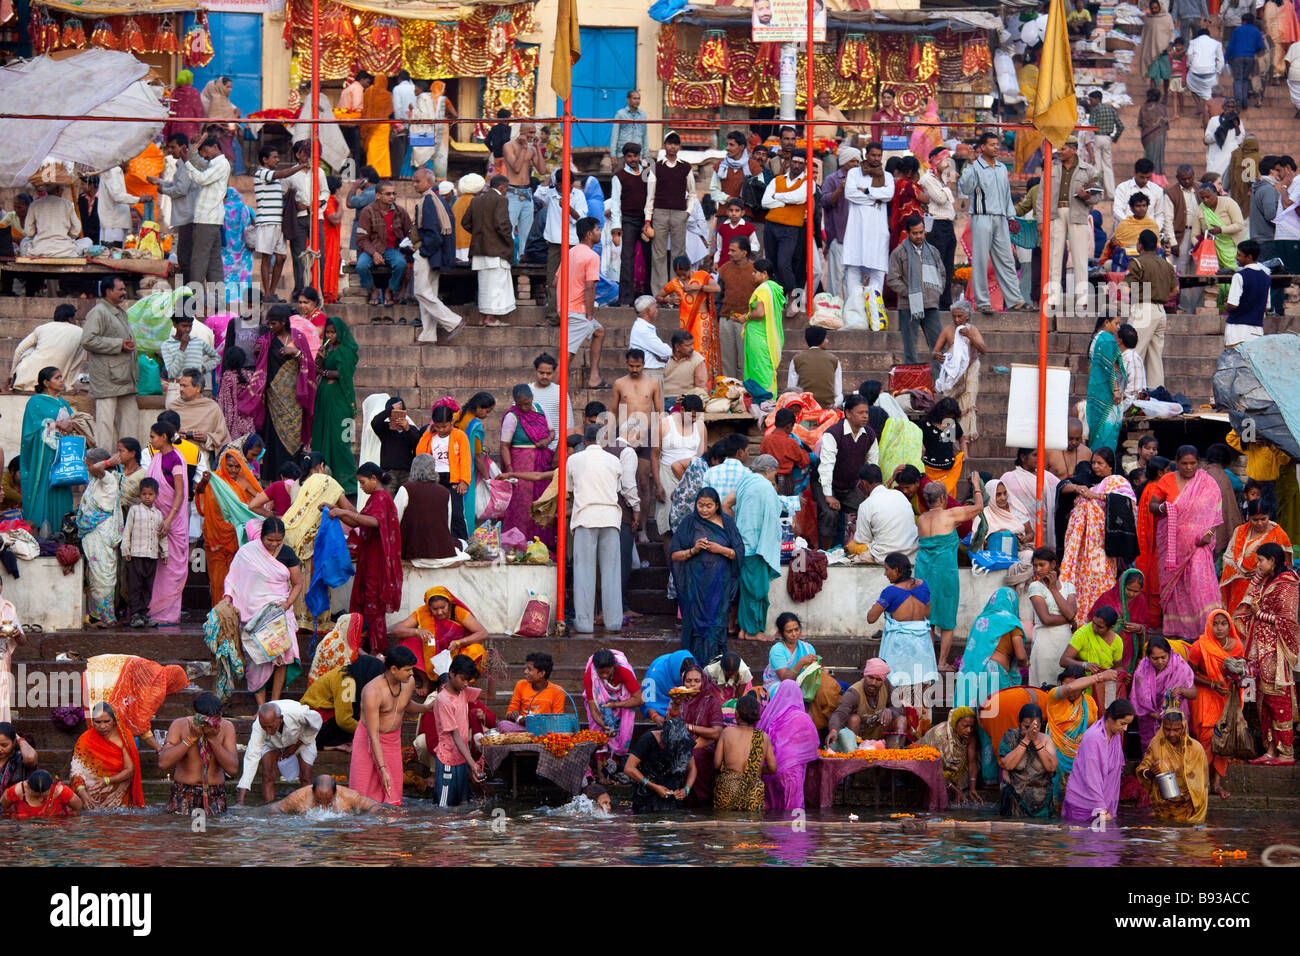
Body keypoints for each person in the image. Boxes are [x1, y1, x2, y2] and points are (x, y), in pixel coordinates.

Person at [223, 516, 304, 703]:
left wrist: (287, 603)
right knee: (256, 659)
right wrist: (228, 598)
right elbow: (232, 579)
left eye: (278, 540)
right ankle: (261, 706)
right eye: (270, 540)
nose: (274, 544)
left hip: (280, 611)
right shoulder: (247, 552)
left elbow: (298, 584)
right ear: (261, 536)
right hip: (253, 613)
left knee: (284, 655)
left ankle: (274, 702)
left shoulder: (288, 554)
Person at [1148, 446, 1223, 640]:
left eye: (1193, 463)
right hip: (1173, 547)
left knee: (1200, 586)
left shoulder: (1207, 483)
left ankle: (1207, 632)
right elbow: (1152, 506)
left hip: (1199, 546)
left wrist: (1208, 533)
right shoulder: (1167, 480)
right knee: (1177, 589)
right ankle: (1179, 632)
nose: (1189, 467)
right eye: (1184, 463)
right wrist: (1164, 508)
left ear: (1199, 463)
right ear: (1176, 462)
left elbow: (1216, 512)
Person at [1234, 542, 1298, 764]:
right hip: (1260, 650)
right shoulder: (1266, 581)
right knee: (1263, 700)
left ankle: (1286, 752)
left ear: (1273, 560)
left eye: (1261, 560)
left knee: (1278, 700)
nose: (1258, 564)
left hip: (1276, 653)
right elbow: (1248, 600)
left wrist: (1260, 614)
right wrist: (1258, 577)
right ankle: (1270, 750)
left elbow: (1288, 622)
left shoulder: (1287, 584)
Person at [237, 304, 316, 482]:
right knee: (273, 436)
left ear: (283, 322)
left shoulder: (299, 338)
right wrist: (258, 352)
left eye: (273, 323)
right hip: (274, 397)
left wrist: (295, 352)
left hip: (295, 397)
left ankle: (295, 477)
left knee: (295, 436)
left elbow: (309, 365)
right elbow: (263, 362)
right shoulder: (266, 340)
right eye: (269, 323)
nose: (270, 327)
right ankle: (274, 478)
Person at [331, 463, 402, 651]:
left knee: (373, 608)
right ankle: (363, 649)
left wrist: (344, 511)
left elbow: (373, 522)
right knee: (366, 605)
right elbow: (357, 521)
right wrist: (334, 510)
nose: (361, 487)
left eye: (362, 482)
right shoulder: (374, 498)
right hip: (369, 560)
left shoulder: (381, 497)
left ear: (374, 479)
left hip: (376, 563)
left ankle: (377, 651)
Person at [1058, 448, 1136, 619]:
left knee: (1101, 576)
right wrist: (1077, 489)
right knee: (1081, 578)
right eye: (1093, 462)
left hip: (1104, 542)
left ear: (1110, 466)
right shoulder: (1085, 480)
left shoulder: (1117, 481)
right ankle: (1079, 618)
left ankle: (1102, 619)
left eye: (1100, 463)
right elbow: (1062, 487)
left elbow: (1126, 503)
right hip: (1081, 545)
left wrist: (1095, 496)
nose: (1095, 467)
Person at [958, 132, 1030, 315]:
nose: (996, 147)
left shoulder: (1000, 168)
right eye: (992, 144)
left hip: (1000, 218)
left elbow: (1006, 195)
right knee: (980, 261)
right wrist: (971, 164)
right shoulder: (975, 166)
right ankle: (982, 302)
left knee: (1006, 259)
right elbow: (965, 188)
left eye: (997, 144)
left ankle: (1015, 300)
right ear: (982, 147)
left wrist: (1011, 217)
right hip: (982, 217)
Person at [917, 479, 985, 670]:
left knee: (927, 619)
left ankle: (931, 662)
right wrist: (977, 485)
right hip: (944, 572)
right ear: (943, 498)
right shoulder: (950, 514)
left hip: (923, 571)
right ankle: (941, 662)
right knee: (947, 620)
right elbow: (979, 507)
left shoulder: (921, 519)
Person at [670, 485, 743, 660]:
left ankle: (716, 667)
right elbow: (674, 555)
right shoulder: (689, 523)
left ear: (717, 505)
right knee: (695, 628)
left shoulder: (727, 523)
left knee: (716, 625)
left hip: (720, 586)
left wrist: (720, 549)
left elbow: (738, 553)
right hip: (695, 587)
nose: (704, 509)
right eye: (700, 505)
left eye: (708, 505)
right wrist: (693, 550)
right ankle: (694, 669)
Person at [567, 425, 626, 635]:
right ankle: (613, 621)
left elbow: (569, 489)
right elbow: (618, 489)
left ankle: (583, 623)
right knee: (611, 573)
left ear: (584, 439)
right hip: (610, 517)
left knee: (583, 572)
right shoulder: (614, 460)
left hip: (585, 517)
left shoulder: (574, 460)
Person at [866, 552, 938, 713]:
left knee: (898, 688)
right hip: (922, 645)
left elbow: (871, 618)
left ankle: (900, 728)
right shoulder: (924, 586)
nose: (885, 574)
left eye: (887, 569)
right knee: (922, 686)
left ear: (897, 570)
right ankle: (921, 730)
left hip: (900, 647)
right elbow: (928, 613)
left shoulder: (890, 591)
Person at [193, 448, 260, 606]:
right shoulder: (215, 480)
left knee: (236, 578)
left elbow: (260, 498)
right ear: (224, 464)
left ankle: (234, 615)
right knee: (217, 579)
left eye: (237, 466)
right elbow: (200, 492)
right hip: (214, 537)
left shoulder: (244, 482)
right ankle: (219, 615)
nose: (234, 470)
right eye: (230, 466)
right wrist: (204, 481)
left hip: (235, 536)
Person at [1189, 609, 1246, 796]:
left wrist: (1236, 679)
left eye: (1223, 623)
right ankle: (1201, 784)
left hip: (1227, 696)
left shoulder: (1237, 646)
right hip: (1205, 695)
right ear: (1209, 625)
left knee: (1224, 739)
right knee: (1207, 738)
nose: (1219, 628)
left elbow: (1240, 671)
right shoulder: (1199, 646)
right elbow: (1190, 674)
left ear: (1229, 626)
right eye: (1215, 623)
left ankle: (1217, 784)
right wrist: (1212, 684)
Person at [729, 456, 785, 642]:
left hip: (743, 544)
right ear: (769, 471)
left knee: (747, 591)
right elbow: (773, 513)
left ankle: (745, 630)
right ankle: (753, 631)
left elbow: (725, 504)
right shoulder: (764, 486)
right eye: (774, 473)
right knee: (757, 591)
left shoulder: (745, 481)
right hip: (756, 547)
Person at [138, 421, 187, 627]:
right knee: (157, 568)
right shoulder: (157, 457)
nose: (150, 441)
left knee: (170, 567)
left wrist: (169, 519)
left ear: (164, 437)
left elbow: (180, 492)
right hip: (156, 520)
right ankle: (153, 610)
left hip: (172, 523)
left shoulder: (174, 459)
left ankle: (167, 614)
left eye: (153, 437)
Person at [80, 277, 138, 453]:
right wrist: (119, 344)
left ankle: (130, 461)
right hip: (107, 378)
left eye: (123, 289)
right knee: (105, 425)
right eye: (119, 289)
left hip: (125, 378)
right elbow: (88, 340)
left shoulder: (120, 312)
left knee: (130, 422)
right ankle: (103, 463)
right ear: (108, 292)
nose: (123, 292)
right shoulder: (98, 312)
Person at [157, 692, 239, 815]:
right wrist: (191, 738)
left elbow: (232, 769)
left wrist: (212, 739)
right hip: (183, 793)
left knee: (216, 833)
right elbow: (163, 763)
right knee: (183, 831)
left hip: (215, 795)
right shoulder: (180, 725)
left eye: (213, 720)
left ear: (220, 716)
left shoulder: (226, 727)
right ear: (195, 715)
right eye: (204, 720)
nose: (208, 724)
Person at [842, 142, 896, 324]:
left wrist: (865, 192)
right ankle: (853, 312)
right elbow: (850, 194)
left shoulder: (887, 176)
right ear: (866, 155)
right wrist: (874, 198)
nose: (876, 159)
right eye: (873, 155)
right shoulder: (853, 173)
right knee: (853, 267)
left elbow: (888, 195)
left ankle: (875, 312)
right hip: (856, 230)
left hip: (878, 231)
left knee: (878, 270)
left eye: (879, 156)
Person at [19, 367, 75, 536]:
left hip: (62, 458)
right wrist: (56, 424)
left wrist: (71, 425)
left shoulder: (63, 403)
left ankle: (62, 532)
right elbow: (30, 432)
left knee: (61, 490)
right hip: (43, 459)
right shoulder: (35, 402)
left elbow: (73, 423)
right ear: (46, 382)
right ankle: (41, 532)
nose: (61, 380)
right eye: (57, 378)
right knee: (44, 491)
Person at [886, 215, 947, 369]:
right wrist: (910, 293)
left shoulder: (933, 251)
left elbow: (942, 275)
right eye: (915, 233)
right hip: (908, 306)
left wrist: (936, 291)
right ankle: (914, 385)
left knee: (938, 347)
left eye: (921, 232)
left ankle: (939, 382)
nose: (919, 236)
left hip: (931, 304)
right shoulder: (899, 253)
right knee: (910, 349)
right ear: (908, 233)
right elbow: (892, 279)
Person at [816, 394, 877, 548]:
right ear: (848, 413)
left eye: (866, 413)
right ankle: (826, 554)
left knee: (870, 510)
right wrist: (829, 496)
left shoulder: (869, 435)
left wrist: (874, 492)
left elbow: (872, 465)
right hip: (824, 483)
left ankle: (871, 549)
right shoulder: (833, 434)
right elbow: (826, 466)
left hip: (849, 487)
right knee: (830, 514)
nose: (865, 416)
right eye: (860, 413)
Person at [307, 316, 358, 498]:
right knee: (321, 436)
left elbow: (344, 373)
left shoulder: (348, 350)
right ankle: (322, 477)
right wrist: (320, 358)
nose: (330, 335)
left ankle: (348, 482)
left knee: (340, 440)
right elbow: (316, 368)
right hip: (324, 400)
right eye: (327, 332)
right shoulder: (327, 348)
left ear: (340, 332)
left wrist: (325, 372)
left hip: (341, 400)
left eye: (333, 332)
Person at [236, 699, 320, 806]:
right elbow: (251, 756)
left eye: (270, 726)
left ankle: (309, 808)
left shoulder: (298, 713)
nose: (268, 731)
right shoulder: (259, 726)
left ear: (280, 719)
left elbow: (317, 722)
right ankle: (270, 810)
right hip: (271, 742)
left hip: (302, 737)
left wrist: (296, 746)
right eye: (264, 727)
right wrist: (240, 801)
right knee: (268, 774)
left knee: (305, 776)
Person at [957, 587, 1028, 710]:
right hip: (995, 671)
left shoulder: (981, 619)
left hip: (975, 672)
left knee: (978, 714)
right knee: (992, 716)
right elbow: (1021, 656)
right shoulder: (1011, 621)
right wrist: (1026, 663)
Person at [429, 653, 486, 806]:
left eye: (468, 680)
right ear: (452, 674)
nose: (466, 683)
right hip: (447, 758)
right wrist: (473, 765)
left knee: (464, 803)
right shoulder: (443, 699)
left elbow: (490, 695)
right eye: (463, 679)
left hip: (461, 757)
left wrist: (492, 673)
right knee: (444, 807)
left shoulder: (463, 691)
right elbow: (454, 734)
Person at [1124, 231, 1177, 391]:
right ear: (1156, 246)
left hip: (1143, 310)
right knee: (1155, 358)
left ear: (1140, 245)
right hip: (1161, 311)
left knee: (1132, 353)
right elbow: (1175, 290)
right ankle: (1156, 395)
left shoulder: (1137, 262)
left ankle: (1130, 394)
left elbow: (1125, 289)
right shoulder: (1166, 264)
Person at [1136, 707, 1209, 822]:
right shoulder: (1156, 744)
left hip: (1189, 808)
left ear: (1183, 727)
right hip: (1164, 807)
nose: (1171, 734)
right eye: (1167, 729)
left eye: (1176, 730)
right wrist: (1150, 772)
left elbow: (1202, 782)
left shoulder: (1195, 749)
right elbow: (1142, 769)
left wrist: (1185, 797)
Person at [461, 173, 514, 330]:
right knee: (496, 285)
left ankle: (483, 317)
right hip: (496, 250)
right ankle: (490, 318)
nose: (506, 191)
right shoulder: (501, 200)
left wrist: (480, 233)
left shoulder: (476, 200)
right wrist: (509, 242)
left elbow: (465, 222)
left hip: (479, 250)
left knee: (485, 285)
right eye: (506, 188)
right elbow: (501, 225)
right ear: (501, 187)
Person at [645, 132, 696, 293]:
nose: (672, 147)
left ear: (679, 147)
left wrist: (687, 212)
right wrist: (648, 220)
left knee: (678, 255)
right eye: (669, 143)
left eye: (675, 144)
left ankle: (676, 292)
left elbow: (692, 193)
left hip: (679, 214)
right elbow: (650, 196)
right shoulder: (656, 167)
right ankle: (660, 293)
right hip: (659, 213)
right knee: (658, 254)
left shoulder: (685, 167)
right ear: (664, 146)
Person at [561, 217, 608, 389]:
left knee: (599, 331)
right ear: (589, 234)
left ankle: (594, 377)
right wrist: (589, 315)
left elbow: (555, 281)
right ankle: (551, 391)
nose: (599, 232)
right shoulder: (592, 256)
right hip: (577, 310)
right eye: (597, 229)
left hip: (567, 307)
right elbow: (590, 287)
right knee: (568, 355)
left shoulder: (570, 252)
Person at [1221, 501, 1292, 614]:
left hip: (1265, 588)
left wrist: (1262, 570)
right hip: (1239, 585)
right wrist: (1242, 571)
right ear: (1249, 516)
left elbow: (1285, 564)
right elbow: (1228, 558)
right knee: (1237, 622)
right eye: (1255, 520)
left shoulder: (1278, 534)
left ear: (1269, 515)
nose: (1259, 523)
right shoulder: (1240, 531)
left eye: (1263, 519)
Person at [1131, 635, 1198, 750]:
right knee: (1153, 755)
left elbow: (1194, 693)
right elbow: (1138, 700)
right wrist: (1157, 716)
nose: (1160, 662)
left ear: (1170, 654)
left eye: (1163, 657)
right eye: (1155, 658)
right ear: (1148, 657)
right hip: (1150, 721)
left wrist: (1182, 691)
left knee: (1176, 752)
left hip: (1175, 721)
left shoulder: (1180, 666)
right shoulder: (1141, 671)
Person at [584, 649, 644, 775]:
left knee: (622, 734)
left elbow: (639, 699)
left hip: (621, 701)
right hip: (600, 706)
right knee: (598, 734)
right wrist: (604, 725)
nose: (604, 676)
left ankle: (615, 767)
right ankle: (600, 773)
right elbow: (593, 708)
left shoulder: (624, 671)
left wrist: (616, 705)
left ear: (614, 667)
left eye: (607, 672)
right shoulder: (591, 673)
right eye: (601, 673)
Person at [712, 693, 775, 812]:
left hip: (728, 787)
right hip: (752, 790)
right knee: (752, 826)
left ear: (736, 715)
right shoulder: (763, 737)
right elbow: (773, 768)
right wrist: (758, 769)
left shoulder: (727, 732)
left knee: (725, 824)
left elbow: (716, 764)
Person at [1090, 568, 1152, 688]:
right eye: (1129, 589)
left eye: (1136, 591)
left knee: (1125, 679)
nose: (1132, 594)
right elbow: (1095, 620)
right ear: (1121, 584)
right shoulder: (1107, 598)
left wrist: (1139, 628)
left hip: (1129, 648)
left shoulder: (1141, 600)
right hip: (1107, 645)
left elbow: (1145, 624)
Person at [759, 151, 809, 296]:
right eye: (795, 162)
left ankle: (793, 293)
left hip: (790, 228)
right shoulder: (777, 180)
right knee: (771, 263)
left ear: (804, 165)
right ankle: (778, 296)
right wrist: (786, 202)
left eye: (800, 163)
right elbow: (765, 202)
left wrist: (777, 196)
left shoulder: (807, 182)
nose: (797, 165)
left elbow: (798, 198)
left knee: (783, 263)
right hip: (771, 225)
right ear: (790, 162)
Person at [354, 180, 410, 308]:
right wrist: (374, 253)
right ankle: (373, 290)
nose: (392, 197)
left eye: (393, 194)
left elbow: (409, 232)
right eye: (388, 194)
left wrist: (410, 244)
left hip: (391, 250)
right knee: (361, 266)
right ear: (378, 195)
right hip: (371, 250)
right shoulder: (367, 211)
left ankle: (389, 290)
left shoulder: (400, 211)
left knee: (401, 265)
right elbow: (361, 238)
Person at [997, 703, 1058, 817]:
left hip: (1041, 803)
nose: (1031, 730)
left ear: (1040, 725)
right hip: (1016, 802)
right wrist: (1026, 740)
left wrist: (1036, 741)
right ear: (1019, 723)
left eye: (1035, 727)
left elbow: (1052, 767)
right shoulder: (1011, 737)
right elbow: (1008, 765)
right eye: (1026, 727)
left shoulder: (1045, 739)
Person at [847, 464, 918, 563]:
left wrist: (851, 525)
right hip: (911, 554)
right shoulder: (900, 495)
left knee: (852, 546)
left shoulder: (866, 505)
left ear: (864, 483)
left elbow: (862, 540)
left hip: (885, 557)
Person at [626, 717, 697, 813]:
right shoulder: (648, 739)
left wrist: (686, 789)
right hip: (646, 790)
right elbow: (629, 768)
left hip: (672, 791)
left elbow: (692, 768)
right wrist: (654, 786)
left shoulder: (684, 741)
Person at [8, 305, 83, 394]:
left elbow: (19, 350)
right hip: (53, 381)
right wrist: (69, 386)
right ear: (70, 319)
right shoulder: (80, 332)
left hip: (25, 380)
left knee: (30, 349)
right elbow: (75, 363)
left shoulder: (42, 328)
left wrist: (12, 374)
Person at [742, 258, 786, 397]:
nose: (753, 275)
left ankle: (764, 402)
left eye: (755, 272)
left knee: (760, 370)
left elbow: (760, 313)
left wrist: (745, 317)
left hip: (759, 336)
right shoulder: (775, 288)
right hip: (768, 336)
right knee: (766, 369)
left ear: (764, 273)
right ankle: (768, 402)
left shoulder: (763, 289)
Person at [499, 653, 566, 733]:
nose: (525, 672)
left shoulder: (557, 691)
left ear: (541, 674)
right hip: (522, 728)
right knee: (503, 725)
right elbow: (509, 712)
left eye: (529, 669)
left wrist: (532, 722)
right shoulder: (521, 685)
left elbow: (556, 720)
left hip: (545, 730)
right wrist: (512, 715)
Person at [2, 769, 82, 819]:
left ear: (52, 786)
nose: (40, 799)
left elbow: (77, 808)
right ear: (27, 786)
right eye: (36, 796)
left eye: (44, 796)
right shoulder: (18, 790)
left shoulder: (60, 790)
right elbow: (5, 807)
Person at [1185, 27, 1225, 125]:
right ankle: (1206, 111)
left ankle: (1199, 106)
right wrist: (1218, 72)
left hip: (1195, 72)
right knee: (1210, 95)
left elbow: (1189, 55)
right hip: (1210, 73)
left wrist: (1189, 65)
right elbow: (1221, 61)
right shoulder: (1216, 43)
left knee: (1190, 84)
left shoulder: (1193, 42)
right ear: (1209, 35)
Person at [0, 723, 36, 792]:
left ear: (14, 743)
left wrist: (19, 739)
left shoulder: (19, 758)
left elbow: (30, 758)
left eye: (4, 745)